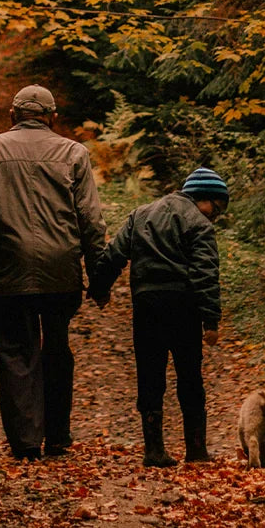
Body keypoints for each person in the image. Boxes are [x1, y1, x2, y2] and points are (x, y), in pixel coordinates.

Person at [0, 84, 108, 460]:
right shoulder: (74, 153)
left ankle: (26, 441)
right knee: (56, 347)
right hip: (62, 271)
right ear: (52, 117)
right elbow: (91, 220)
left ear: (13, 115)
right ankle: (57, 436)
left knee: (15, 352)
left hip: (9, 271)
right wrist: (98, 275)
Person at [88, 167, 228, 467]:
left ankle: (153, 450)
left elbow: (113, 255)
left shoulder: (140, 214)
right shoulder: (199, 224)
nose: (215, 216)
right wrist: (211, 321)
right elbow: (205, 274)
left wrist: (99, 288)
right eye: (216, 208)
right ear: (202, 197)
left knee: (150, 374)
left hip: (147, 305)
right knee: (190, 375)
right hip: (183, 307)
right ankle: (196, 450)